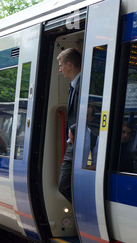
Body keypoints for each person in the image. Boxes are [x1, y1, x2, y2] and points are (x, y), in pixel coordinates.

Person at [57, 48, 82, 203]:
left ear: (69, 65)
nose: (60, 70)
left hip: (76, 143)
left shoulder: (81, 84)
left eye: (61, 65)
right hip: (74, 142)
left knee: (63, 186)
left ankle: (84, 212)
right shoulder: (74, 85)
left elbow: (88, 109)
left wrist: (73, 129)